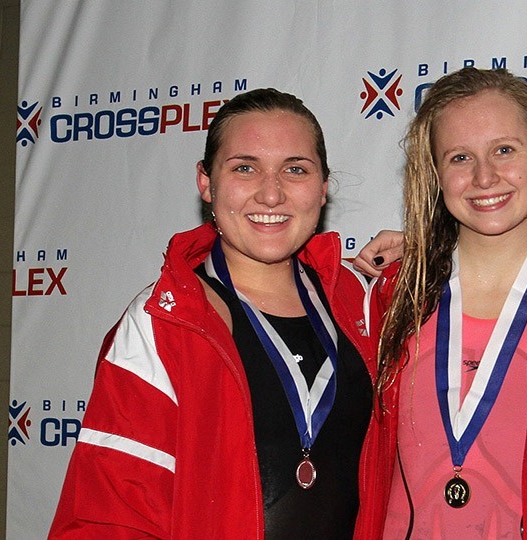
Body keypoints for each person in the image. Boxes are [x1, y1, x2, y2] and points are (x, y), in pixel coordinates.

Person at [49, 88, 376, 539]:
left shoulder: (360, 304)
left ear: (322, 189)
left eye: (295, 170)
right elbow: (110, 513)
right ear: (206, 183)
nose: (271, 193)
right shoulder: (163, 323)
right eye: (245, 167)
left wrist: (425, 254)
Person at [354, 67, 527, 539]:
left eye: (504, 150)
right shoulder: (388, 295)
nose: (484, 176)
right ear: (435, 172)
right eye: (460, 157)